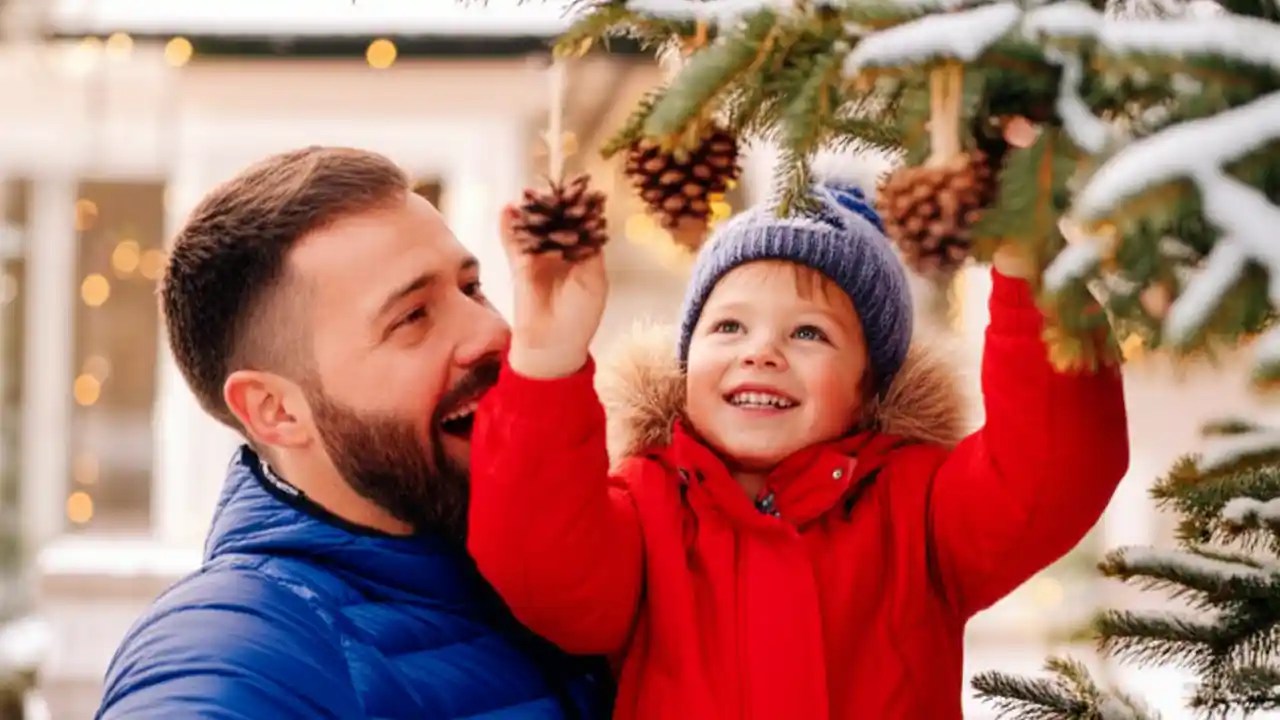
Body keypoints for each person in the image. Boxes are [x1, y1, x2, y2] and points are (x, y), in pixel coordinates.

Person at [467, 180, 1131, 718]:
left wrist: (1032, 271)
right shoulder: (645, 508)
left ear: (869, 390)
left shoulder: (921, 510)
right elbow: (539, 562)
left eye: (809, 333)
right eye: (727, 325)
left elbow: (1054, 468)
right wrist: (546, 361)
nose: (761, 350)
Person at [95, 146, 612, 719]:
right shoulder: (240, 643)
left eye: (471, 289)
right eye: (412, 317)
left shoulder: (584, 548)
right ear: (276, 410)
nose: (492, 331)